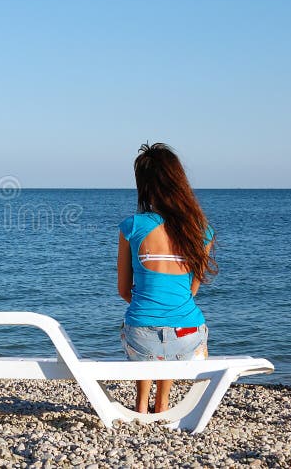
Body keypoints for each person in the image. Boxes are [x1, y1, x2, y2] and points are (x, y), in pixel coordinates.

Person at [117, 143, 217, 414]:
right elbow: (191, 291)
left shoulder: (133, 226)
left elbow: (124, 290)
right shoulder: (201, 230)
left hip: (140, 338)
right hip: (187, 338)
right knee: (173, 326)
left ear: (145, 185)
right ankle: (162, 405)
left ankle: (140, 404)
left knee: (146, 327)